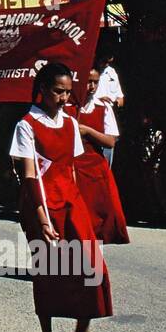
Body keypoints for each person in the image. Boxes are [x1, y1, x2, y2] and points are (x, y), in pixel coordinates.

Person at [10, 62, 114, 332]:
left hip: (71, 202)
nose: (64, 98)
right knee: (49, 273)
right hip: (41, 205)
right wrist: (42, 217)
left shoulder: (70, 123)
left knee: (93, 268)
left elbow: (71, 167)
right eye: (58, 91)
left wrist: (86, 207)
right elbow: (29, 176)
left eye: (68, 92)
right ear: (42, 90)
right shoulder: (26, 125)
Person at [67, 68, 130, 244]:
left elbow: (110, 141)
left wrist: (87, 131)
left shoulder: (103, 108)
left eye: (95, 82)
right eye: (88, 82)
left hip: (94, 166)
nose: (92, 86)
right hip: (71, 166)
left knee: (98, 218)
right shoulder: (68, 108)